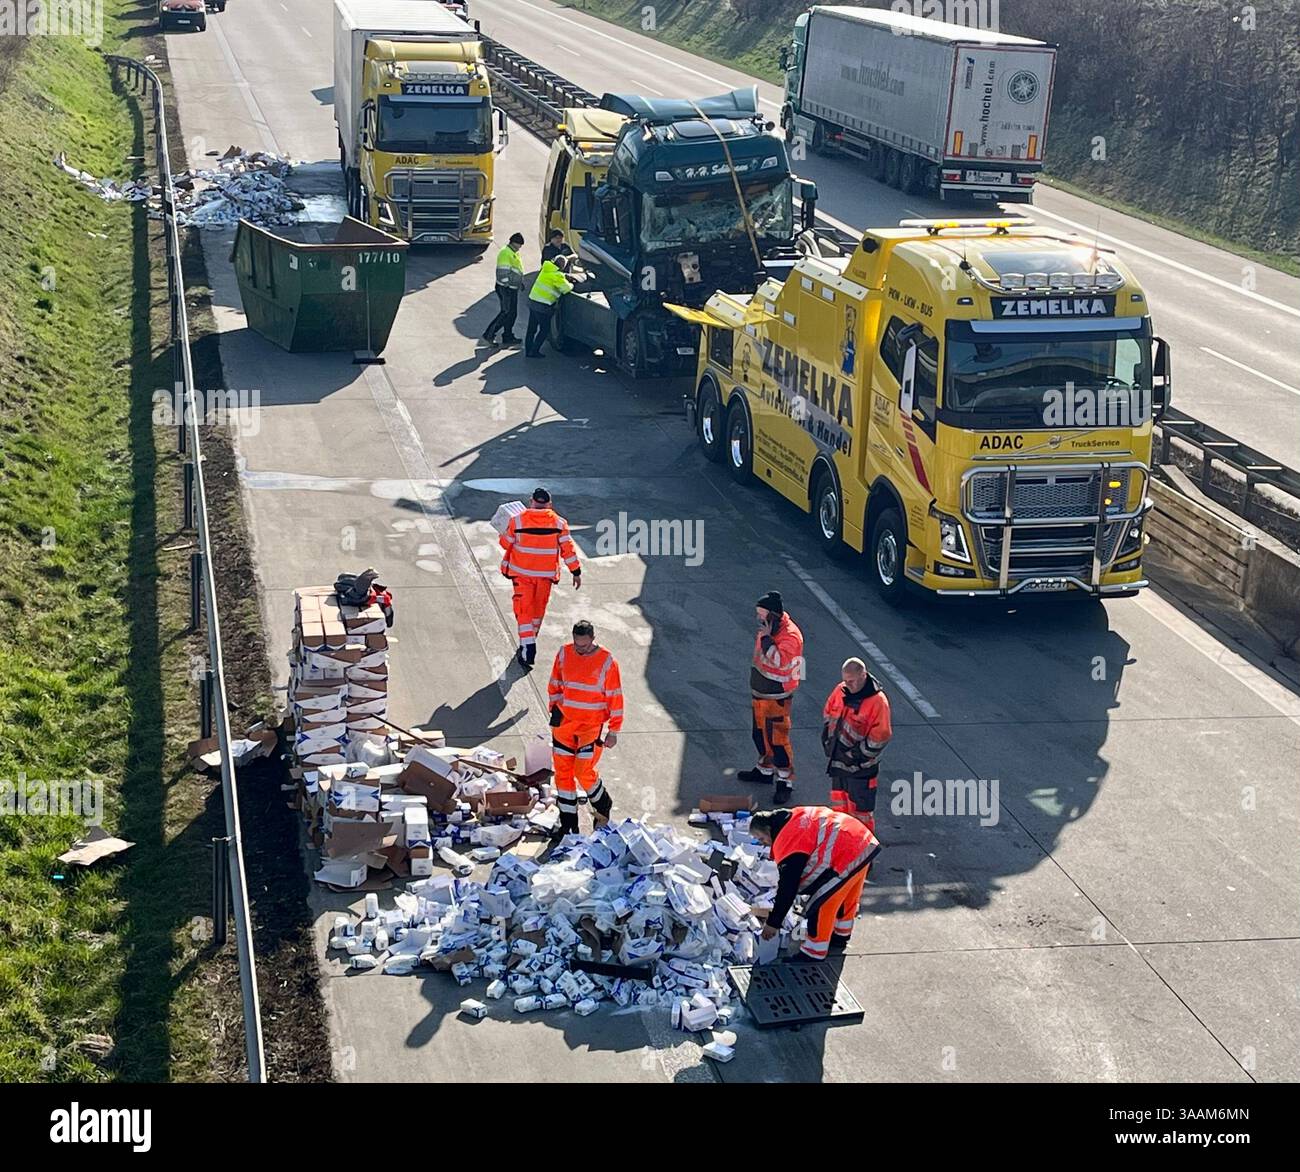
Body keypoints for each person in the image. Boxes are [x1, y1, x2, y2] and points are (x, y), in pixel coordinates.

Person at [749, 806, 881, 962]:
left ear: (769, 829)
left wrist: (773, 923)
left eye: (762, 839)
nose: (764, 844)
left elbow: (788, 888)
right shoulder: (793, 816)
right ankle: (841, 935)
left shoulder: (788, 844)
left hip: (846, 852)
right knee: (848, 896)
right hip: (861, 840)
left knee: (822, 902)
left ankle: (813, 952)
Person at [548, 620, 623, 836]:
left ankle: (603, 805)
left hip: (590, 727)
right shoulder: (564, 653)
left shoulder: (607, 662)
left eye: (584, 645)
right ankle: (568, 824)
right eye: (576, 644)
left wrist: (613, 730)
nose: (579, 649)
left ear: (593, 639)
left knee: (583, 771)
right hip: (564, 725)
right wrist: (554, 709)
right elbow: (555, 683)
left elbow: (615, 697)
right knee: (563, 775)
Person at [498, 487, 581, 668]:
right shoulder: (560, 524)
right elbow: (568, 550)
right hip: (545, 576)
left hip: (522, 575)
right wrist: (576, 572)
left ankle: (528, 646)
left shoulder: (517, 521)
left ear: (531, 501)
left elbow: (505, 544)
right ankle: (530, 640)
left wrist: (502, 532)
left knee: (523, 610)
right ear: (549, 504)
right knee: (537, 611)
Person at [738, 590, 804, 805]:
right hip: (761, 693)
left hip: (777, 697)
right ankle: (765, 770)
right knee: (759, 735)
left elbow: (778, 660)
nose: (759, 619)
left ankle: (785, 782)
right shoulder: (769, 628)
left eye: (762, 615)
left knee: (778, 741)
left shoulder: (789, 636)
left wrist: (766, 638)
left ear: (774, 617)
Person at [822, 657, 891, 833]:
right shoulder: (841, 690)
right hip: (839, 765)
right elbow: (829, 711)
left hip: (861, 769)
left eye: (851, 681)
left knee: (861, 816)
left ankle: (864, 853)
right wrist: (827, 739)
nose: (847, 684)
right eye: (845, 680)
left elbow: (880, 737)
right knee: (839, 812)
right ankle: (842, 845)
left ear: (863, 675)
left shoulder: (878, 702)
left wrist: (856, 756)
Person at [524, 255, 575, 358]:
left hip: (533, 302)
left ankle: (528, 350)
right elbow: (566, 289)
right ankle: (534, 351)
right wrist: (571, 283)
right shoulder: (557, 276)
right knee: (544, 330)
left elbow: (554, 277)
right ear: (562, 266)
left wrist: (564, 275)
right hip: (543, 306)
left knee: (531, 328)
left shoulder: (545, 269)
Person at [482, 232, 525, 346]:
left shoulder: (512, 252)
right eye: (519, 245)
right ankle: (489, 334)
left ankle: (508, 336)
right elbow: (502, 272)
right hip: (506, 288)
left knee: (512, 314)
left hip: (512, 287)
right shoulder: (505, 253)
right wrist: (506, 286)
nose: (520, 247)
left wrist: (520, 282)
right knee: (506, 312)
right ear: (514, 243)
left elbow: (516, 269)